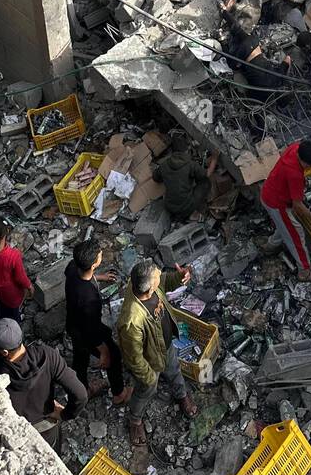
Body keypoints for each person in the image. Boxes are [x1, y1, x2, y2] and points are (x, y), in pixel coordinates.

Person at [0, 317, 87, 450]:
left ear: (5, 352)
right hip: (47, 429)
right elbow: (81, 395)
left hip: (18, 436)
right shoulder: (47, 355)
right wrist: (65, 414)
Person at [119, 258, 197, 446]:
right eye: (157, 278)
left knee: (174, 370)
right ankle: (135, 420)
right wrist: (148, 377)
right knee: (146, 390)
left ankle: (181, 395)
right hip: (150, 358)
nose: (160, 278)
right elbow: (135, 358)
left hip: (166, 344)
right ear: (149, 290)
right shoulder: (132, 322)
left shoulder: (141, 282)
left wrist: (180, 276)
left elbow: (166, 281)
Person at [65, 239, 132, 404]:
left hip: (73, 324)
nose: (101, 255)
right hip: (86, 331)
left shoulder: (73, 268)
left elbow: (82, 275)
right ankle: (119, 394)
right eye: (100, 256)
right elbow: (92, 331)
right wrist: (103, 352)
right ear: (94, 264)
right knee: (114, 356)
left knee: (80, 358)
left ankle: (82, 390)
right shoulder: (90, 298)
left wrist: (99, 277)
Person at [260, 139, 311, 280]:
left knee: (285, 226)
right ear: (301, 158)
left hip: (270, 190)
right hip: (276, 202)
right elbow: (298, 205)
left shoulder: (296, 147)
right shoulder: (295, 174)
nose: (308, 168)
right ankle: (304, 271)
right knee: (297, 234)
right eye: (308, 165)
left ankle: (270, 247)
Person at [0, 215, 34, 322]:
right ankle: (14, 330)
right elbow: (20, 277)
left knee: (1, 308)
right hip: (12, 294)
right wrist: (29, 286)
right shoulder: (13, 255)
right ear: (5, 235)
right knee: (13, 313)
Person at [152, 136, 218, 220]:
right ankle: (191, 213)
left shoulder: (165, 164)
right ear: (186, 151)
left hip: (169, 206)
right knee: (205, 182)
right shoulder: (190, 165)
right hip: (185, 208)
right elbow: (208, 173)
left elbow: (155, 178)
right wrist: (215, 158)